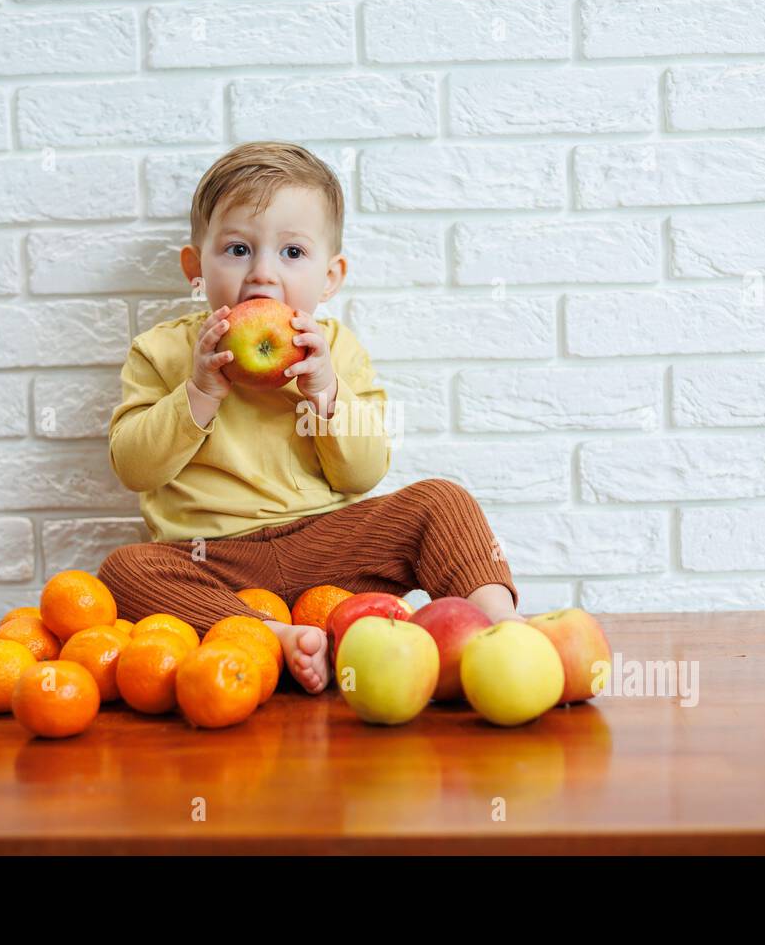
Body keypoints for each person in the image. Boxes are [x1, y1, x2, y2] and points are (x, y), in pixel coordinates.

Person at [98, 141, 525, 695]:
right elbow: (135, 468)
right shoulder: (161, 352)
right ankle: (270, 636)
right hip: (214, 560)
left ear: (330, 277)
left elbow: (362, 474)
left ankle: (500, 628)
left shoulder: (336, 349)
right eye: (236, 249)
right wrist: (198, 392)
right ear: (195, 269)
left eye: (292, 253)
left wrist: (325, 391)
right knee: (124, 571)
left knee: (440, 500)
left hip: (327, 547)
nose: (263, 275)